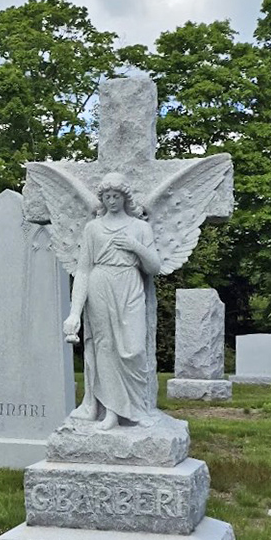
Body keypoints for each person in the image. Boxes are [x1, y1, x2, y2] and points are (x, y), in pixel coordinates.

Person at [62, 172, 161, 430]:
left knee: (134, 349)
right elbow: (83, 270)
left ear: (125, 197)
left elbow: (154, 267)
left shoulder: (140, 228)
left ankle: (139, 409)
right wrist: (74, 313)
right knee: (104, 349)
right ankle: (112, 413)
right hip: (100, 285)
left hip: (130, 285)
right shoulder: (93, 228)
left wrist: (134, 246)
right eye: (107, 196)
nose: (112, 201)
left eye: (116, 196)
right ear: (102, 199)